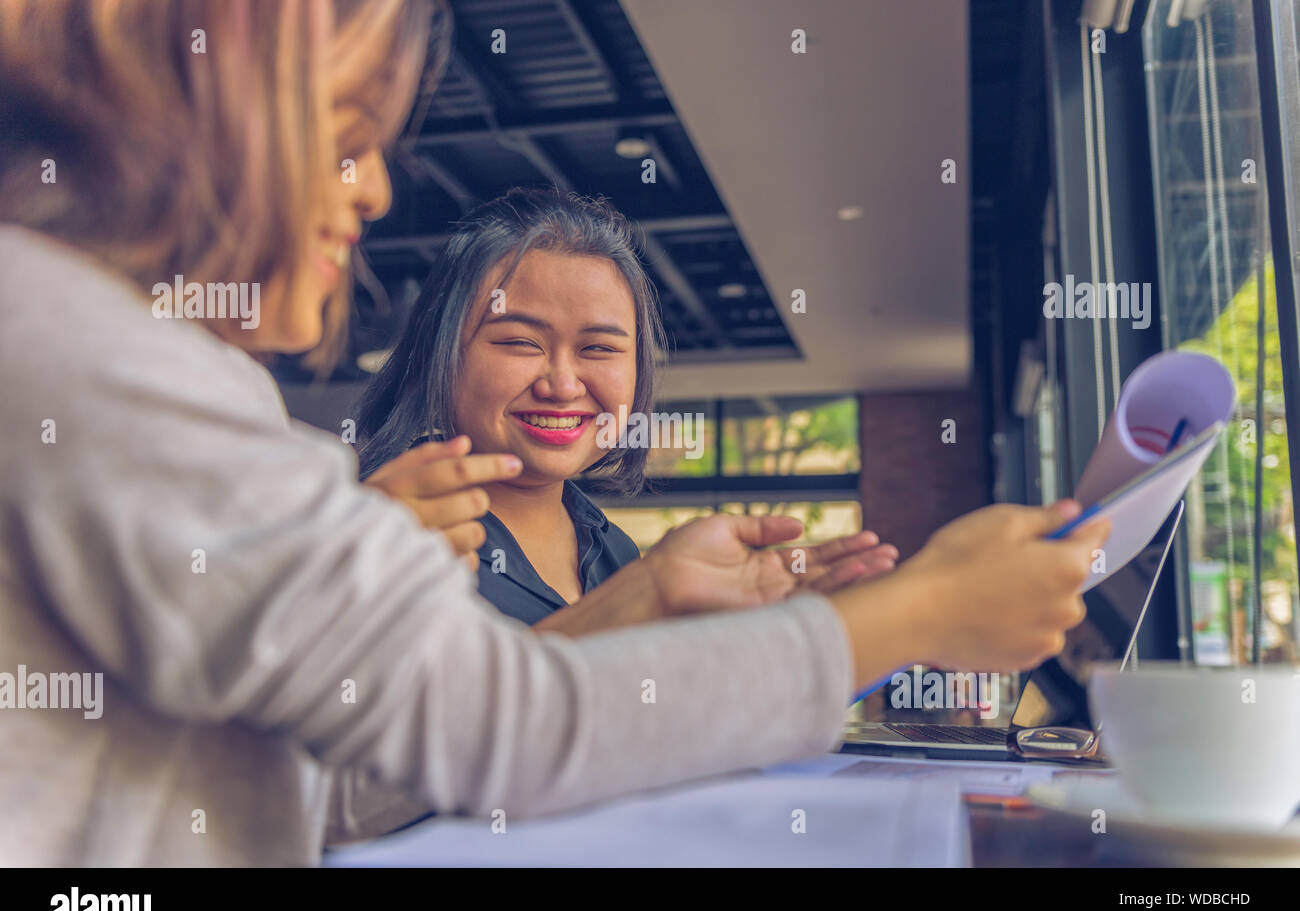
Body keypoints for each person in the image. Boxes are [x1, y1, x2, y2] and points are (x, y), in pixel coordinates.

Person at [0, 0, 1109, 866]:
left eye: (602, 349)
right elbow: (500, 729)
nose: (376, 189)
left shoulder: (159, 366)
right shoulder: (73, 338)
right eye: (343, 138)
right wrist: (917, 613)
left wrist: (646, 598)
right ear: (198, 115)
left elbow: (338, 788)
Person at [356, 187, 899, 628]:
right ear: (440, 352)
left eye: (599, 349)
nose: (563, 384)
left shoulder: (612, 548)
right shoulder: (383, 530)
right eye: (521, 342)